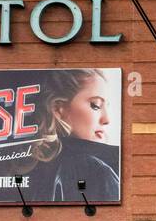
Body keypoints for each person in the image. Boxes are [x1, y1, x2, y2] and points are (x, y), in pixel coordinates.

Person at [25, 69, 120, 203]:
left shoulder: (28, 168)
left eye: (107, 107)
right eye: (96, 106)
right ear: (59, 108)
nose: (107, 119)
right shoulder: (96, 171)